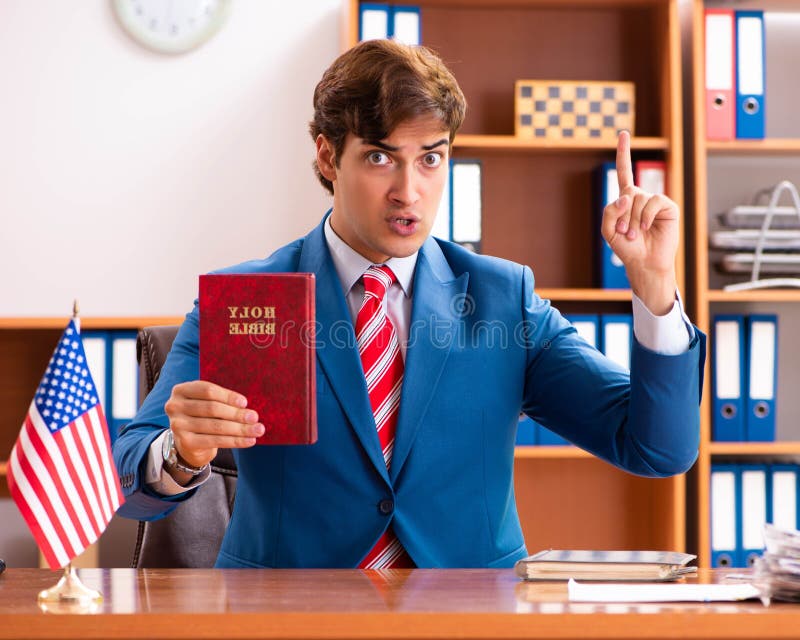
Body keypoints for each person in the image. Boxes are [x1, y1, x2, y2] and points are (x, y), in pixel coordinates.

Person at [113, 38, 705, 569]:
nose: (409, 191)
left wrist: (654, 285)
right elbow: (129, 483)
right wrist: (182, 453)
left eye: (430, 158)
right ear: (328, 157)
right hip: (289, 614)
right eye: (380, 157)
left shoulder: (504, 300)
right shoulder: (249, 300)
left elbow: (658, 449)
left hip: (466, 617)